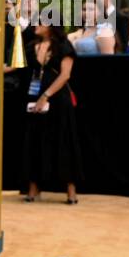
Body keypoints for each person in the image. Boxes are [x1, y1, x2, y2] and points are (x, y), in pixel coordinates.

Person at [23, 20, 84, 204]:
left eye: (40, 22)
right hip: (34, 95)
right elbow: (18, 66)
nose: (35, 25)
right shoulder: (31, 46)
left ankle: (71, 191)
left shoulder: (64, 46)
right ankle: (33, 188)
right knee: (34, 139)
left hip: (57, 98)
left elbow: (65, 75)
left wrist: (46, 96)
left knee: (63, 141)